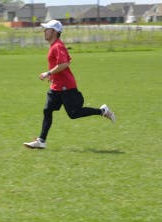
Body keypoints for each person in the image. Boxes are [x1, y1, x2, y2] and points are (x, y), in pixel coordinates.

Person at [24, 19, 116, 149]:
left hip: (66, 87)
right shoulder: (55, 46)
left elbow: (64, 64)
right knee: (47, 110)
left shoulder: (58, 46)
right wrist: (53, 77)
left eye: (47, 29)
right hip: (56, 86)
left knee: (74, 114)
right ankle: (41, 141)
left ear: (54, 32)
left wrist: (48, 73)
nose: (44, 31)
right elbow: (64, 62)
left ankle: (102, 111)